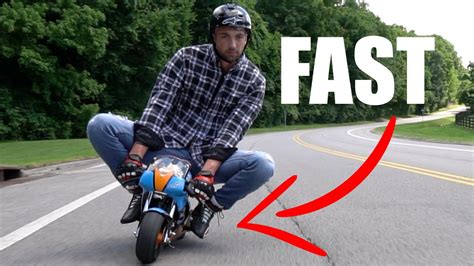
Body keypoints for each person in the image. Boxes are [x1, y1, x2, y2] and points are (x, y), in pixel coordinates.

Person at [87, 3, 274, 239]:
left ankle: (208, 208)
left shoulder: (255, 81)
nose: (233, 44)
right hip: (163, 144)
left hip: (205, 159)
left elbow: (233, 130)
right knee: (100, 125)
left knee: (263, 164)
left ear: (247, 38)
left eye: (239, 37)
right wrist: (135, 157)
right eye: (225, 36)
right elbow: (159, 105)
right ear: (213, 35)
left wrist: (207, 174)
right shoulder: (186, 58)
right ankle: (138, 188)